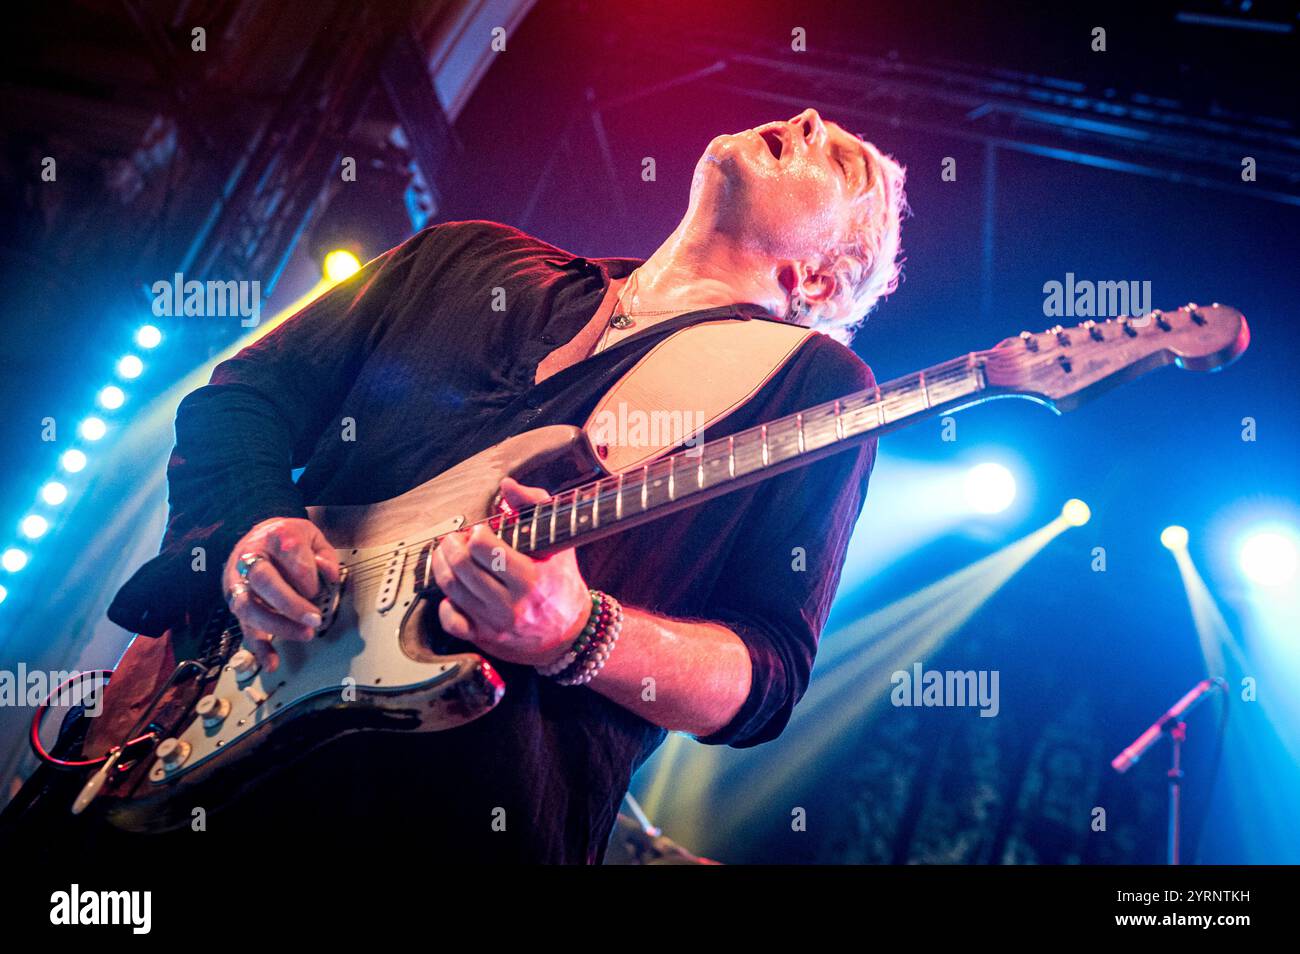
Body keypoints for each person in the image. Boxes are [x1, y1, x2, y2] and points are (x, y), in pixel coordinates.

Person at [76, 108, 908, 864]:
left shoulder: (815, 391)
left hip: (451, 822)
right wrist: (255, 529)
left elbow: (764, 672)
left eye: (839, 162)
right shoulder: (465, 256)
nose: (806, 118)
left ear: (821, 281)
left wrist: (583, 632)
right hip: (192, 729)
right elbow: (245, 400)